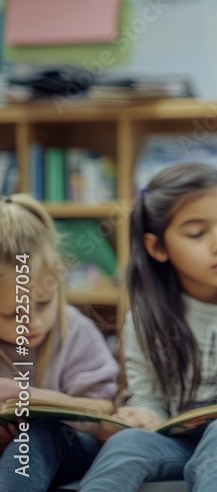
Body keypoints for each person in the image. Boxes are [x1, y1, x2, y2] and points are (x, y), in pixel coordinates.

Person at [78, 163, 217, 492]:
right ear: (157, 247)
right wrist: (143, 416)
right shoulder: (144, 317)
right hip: (176, 444)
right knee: (127, 444)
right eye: (197, 233)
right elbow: (148, 399)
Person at [0, 194, 119, 492]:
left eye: (43, 303)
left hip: (66, 450)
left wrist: (28, 396)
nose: (33, 323)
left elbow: (104, 415)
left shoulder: (75, 331)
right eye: (13, 314)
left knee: (38, 434)